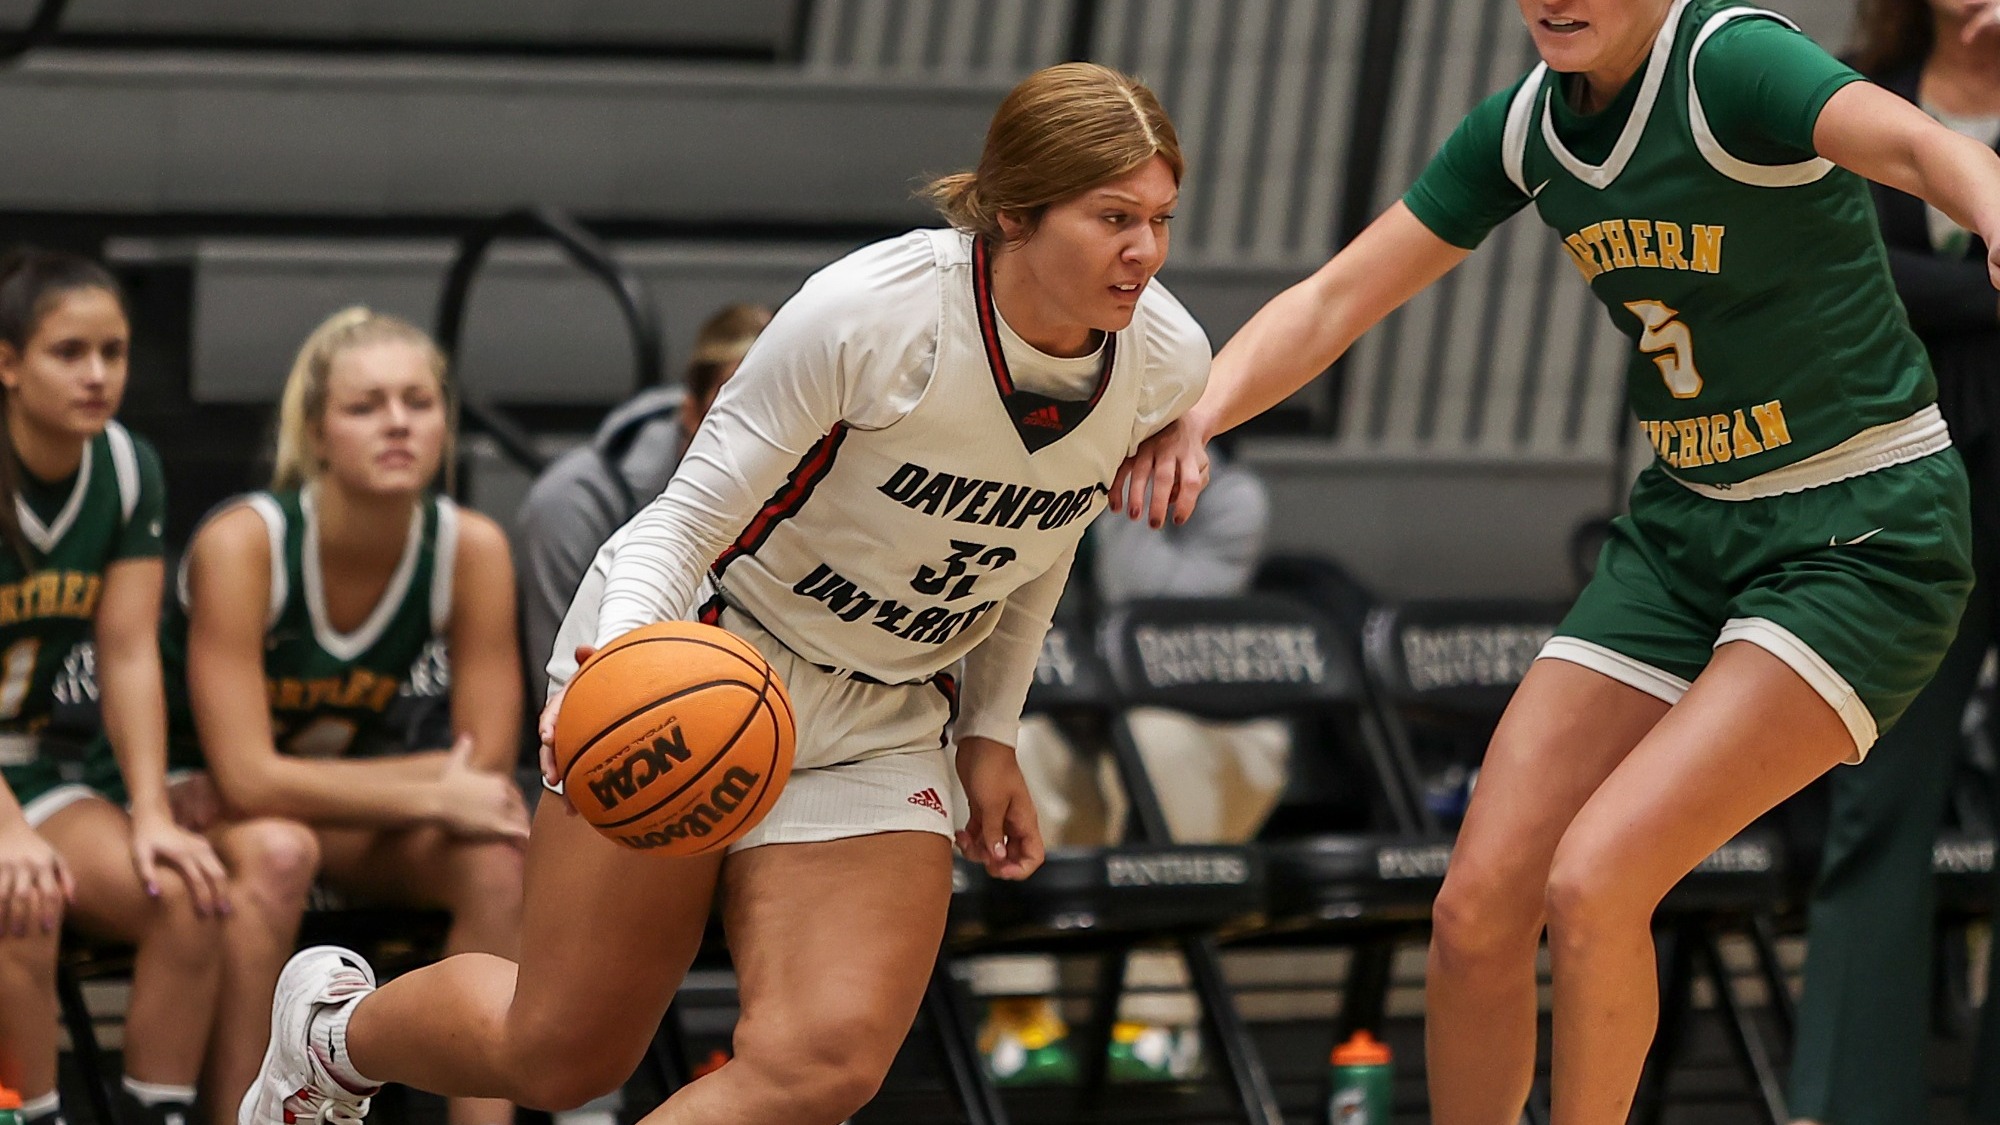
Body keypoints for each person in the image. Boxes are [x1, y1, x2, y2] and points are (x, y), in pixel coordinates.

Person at [241, 60, 1207, 1125]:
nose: (1144, 253)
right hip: (704, 653)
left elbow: (1044, 533)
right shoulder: (871, 317)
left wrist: (989, 728)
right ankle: (331, 1040)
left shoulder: (1163, 360)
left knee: (823, 1064)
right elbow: (682, 522)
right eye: (1113, 217)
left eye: (1160, 218)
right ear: (1014, 212)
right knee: (562, 1052)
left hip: (881, 711)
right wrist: (615, 666)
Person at [1113, 1, 2000, 1121]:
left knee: (1596, 880)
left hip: (1857, 528)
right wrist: (1199, 414)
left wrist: (1991, 206)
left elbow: (1921, 144)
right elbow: (1339, 294)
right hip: (1683, 528)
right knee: (1476, 905)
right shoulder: (1523, 125)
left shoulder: (1731, 62)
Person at [166, 307, 528, 1125]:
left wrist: (437, 790)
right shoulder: (245, 541)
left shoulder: (471, 547)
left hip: (331, 813)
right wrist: (428, 787)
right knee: (278, 850)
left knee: (497, 853)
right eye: (366, 405)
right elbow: (244, 776)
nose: (398, 421)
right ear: (316, 432)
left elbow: (484, 765)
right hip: (196, 809)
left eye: (418, 401)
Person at [1787, 2, 2000, 1122]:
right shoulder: (1842, 99)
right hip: (1899, 491)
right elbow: (1841, 284)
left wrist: (1940, 302)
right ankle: (1848, 1103)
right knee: (1877, 792)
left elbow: (1905, 291)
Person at [0, 249, 230, 1125]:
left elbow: (129, 652)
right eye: (69, 352)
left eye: (115, 351)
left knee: (190, 895)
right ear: (8, 362)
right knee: (23, 895)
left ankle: (154, 1115)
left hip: (28, 762)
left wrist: (150, 814)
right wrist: (8, 830)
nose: (98, 375)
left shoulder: (128, 468)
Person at [982, 438, 1283, 1085]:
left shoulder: (1230, 496)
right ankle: (1015, 1006)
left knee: (1156, 739)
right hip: (1081, 728)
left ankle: (1158, 1015)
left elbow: (1144, 620)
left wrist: (1109, 481)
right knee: (1012, 743)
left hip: (1208, 725)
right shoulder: (1022, 466)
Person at [516, 303, 770, 702]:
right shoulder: (574, 502)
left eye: (776, 411)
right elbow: (569, 695)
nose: (764, 434)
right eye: (737, 409)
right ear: (689, 414)